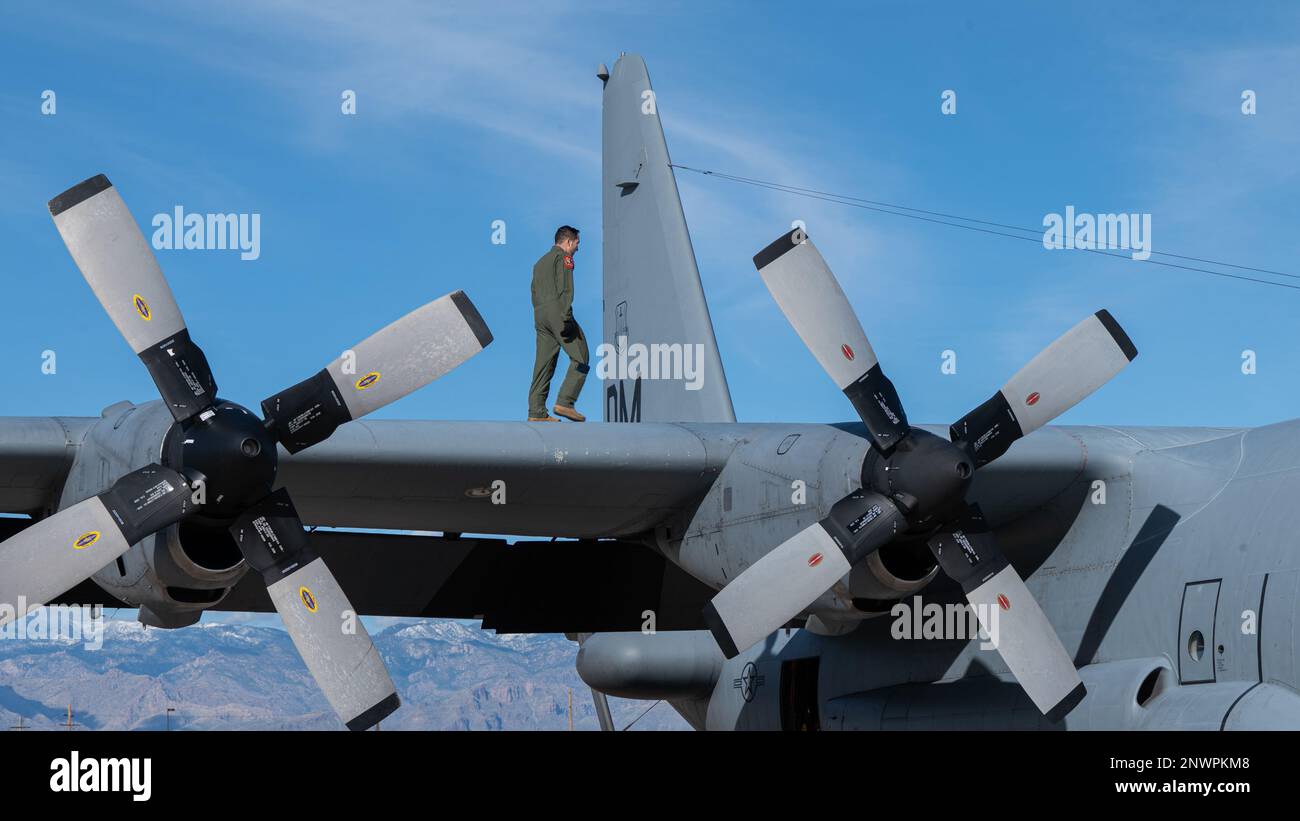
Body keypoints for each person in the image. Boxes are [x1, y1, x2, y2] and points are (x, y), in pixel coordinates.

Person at [528, 225, 588, 422]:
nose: (578, 248)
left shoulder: (539, 263)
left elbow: (534, 292)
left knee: (543, 364)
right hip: (557, 312)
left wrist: (542, 314)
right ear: (568, 242)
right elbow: (565, 289)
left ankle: (536, 412)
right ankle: (566, 402)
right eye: (577, 243)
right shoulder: (564, 258)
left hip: (540, 314)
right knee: (581, 355)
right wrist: (566, 317)